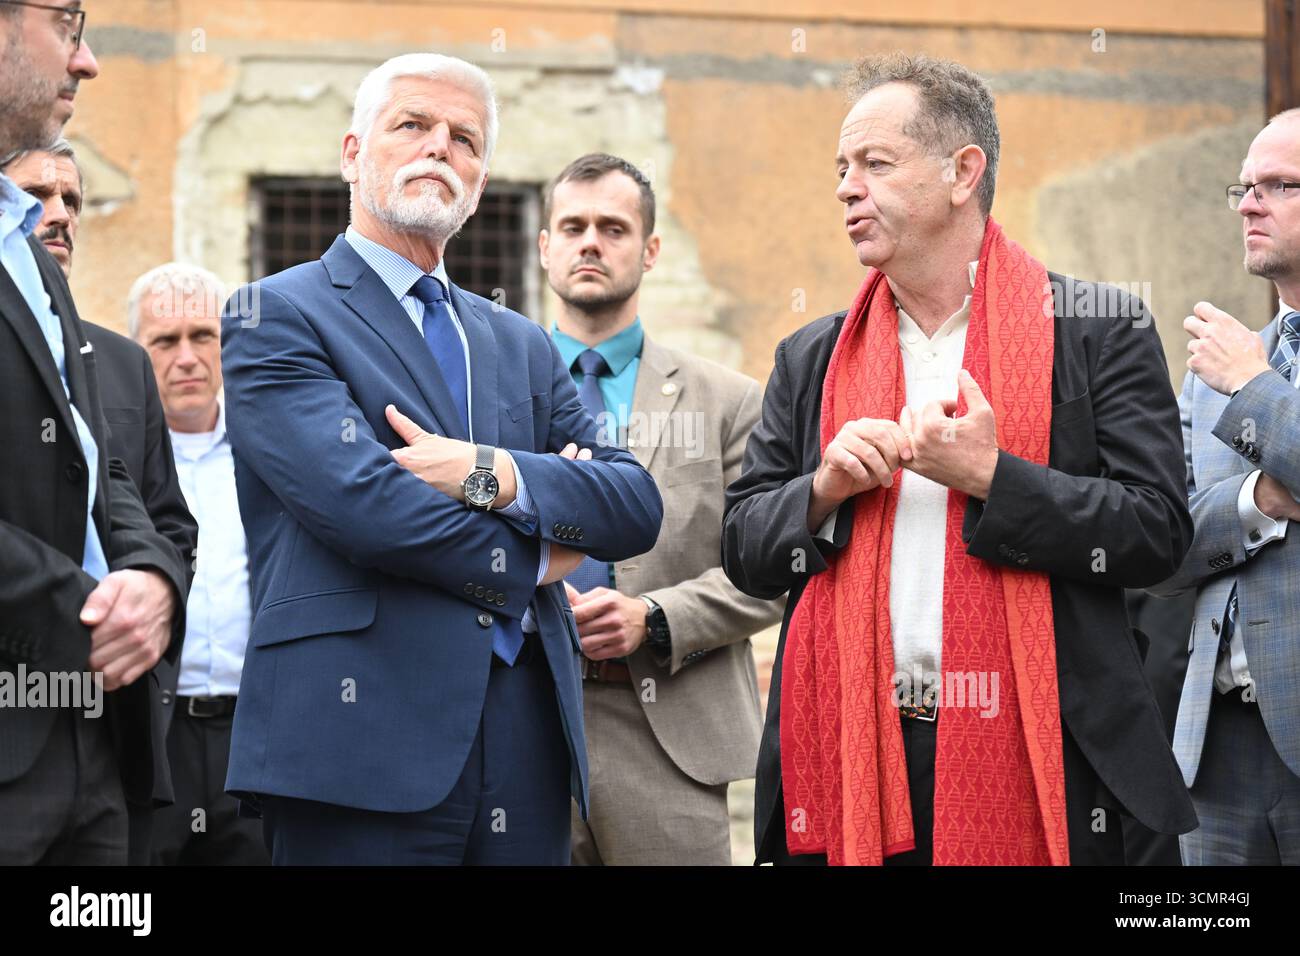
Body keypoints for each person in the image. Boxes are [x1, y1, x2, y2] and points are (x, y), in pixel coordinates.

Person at [721, 52, 1196, 866]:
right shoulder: (814, 357)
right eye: (841, 167)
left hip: (1049, 749)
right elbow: (744, 551)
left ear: (961, 172)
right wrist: (825, 488)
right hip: (856, 754)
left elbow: (1157, 535)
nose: (845, 187)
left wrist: (994, 479)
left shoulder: (1097, 330)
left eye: (875, 163)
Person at [221, 53, 662, 865]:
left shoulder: (522, 343)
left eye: (464, 140)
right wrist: (540, 549)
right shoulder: (273, 313)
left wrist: (489, 472)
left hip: (526, 737)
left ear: (481, 184)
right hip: (357, 741)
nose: (439, 150)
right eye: (413, 126)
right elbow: (362, 504)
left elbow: (633, 503)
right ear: (353, 153)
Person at [538, 153, 784, 865]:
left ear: (650, 250)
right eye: (573, 226)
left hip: (669, 737)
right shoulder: (487, 389)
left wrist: (654, 617)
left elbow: (768, 567)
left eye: (613, 228)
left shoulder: (728, 401)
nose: (591, 242)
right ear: (544, 245)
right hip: (523, 724)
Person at [0, 0, 189, 865]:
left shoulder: (31, 259)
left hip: (98, 753)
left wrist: (150, 582)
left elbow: (97, 467)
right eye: (69, 24)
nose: (89, 62)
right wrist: (82, 608)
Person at [1148, 108, 1300, 865]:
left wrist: (1254, 387)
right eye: (1244, 185)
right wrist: (1260, 502)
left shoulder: (1232, 371)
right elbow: (1165, 552)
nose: (1247, 202)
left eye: (1279, 185)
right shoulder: (1212, 374)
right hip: (1213, 749)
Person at [123, 263, 269, 865]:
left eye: (202, 336)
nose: (186, 357)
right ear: (136, 353)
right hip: (154, 737)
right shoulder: (117, 464)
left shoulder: (270, 453)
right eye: (164, 341)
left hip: (255, 737)